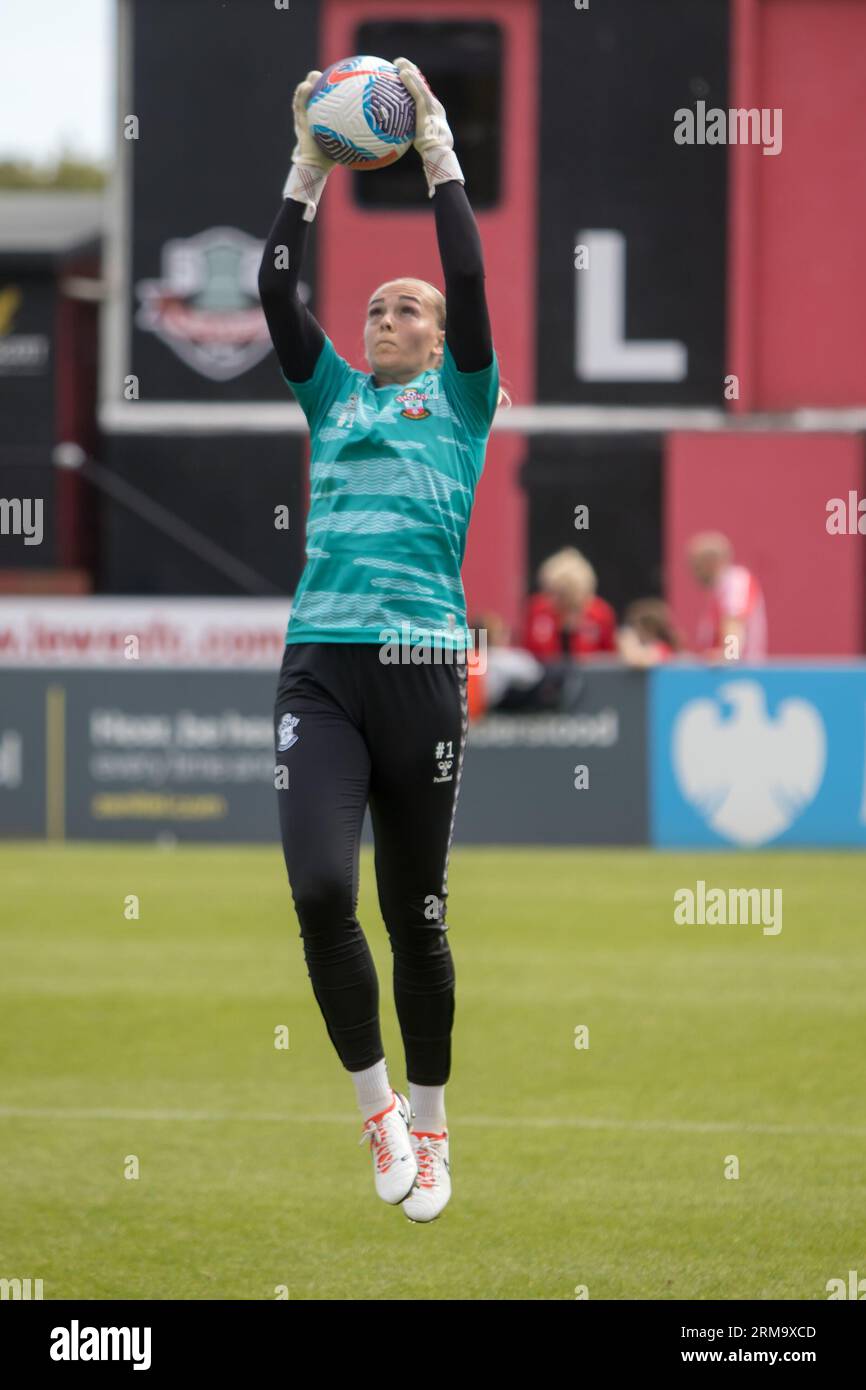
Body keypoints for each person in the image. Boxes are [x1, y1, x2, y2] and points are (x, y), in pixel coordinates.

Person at [257, 60, 507, 1224]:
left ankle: (436, 1120)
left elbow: (462, 264)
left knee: (416, 917)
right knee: (318, 887)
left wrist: (436, 152)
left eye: (405, 309)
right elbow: (272, 291)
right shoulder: (334, 395)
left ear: (444, 338)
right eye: (374, 308)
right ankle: (376, 1114)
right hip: (322, 667)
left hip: (420, 673)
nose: (384, 317)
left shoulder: (462, 399)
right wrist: (307, 169)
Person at [522, 547, 617, 661]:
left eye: (563, 594)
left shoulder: (600, 614)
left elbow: (611, 656)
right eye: (552, 592)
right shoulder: (536, 609)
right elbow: (525, 652)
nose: (555, 599)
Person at [686, 531, 767, 661]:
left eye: (696, 565)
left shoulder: (736, 582)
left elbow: (734, 621)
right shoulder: (719, 590)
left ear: (711, 562)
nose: (693, 572)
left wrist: (730, 655)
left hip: (738, 676)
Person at [616, 598, 681, 667]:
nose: (634, 629)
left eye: (634, 624)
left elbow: (638, 660)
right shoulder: (642, 645)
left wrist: (627, 641)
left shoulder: (662, 648)